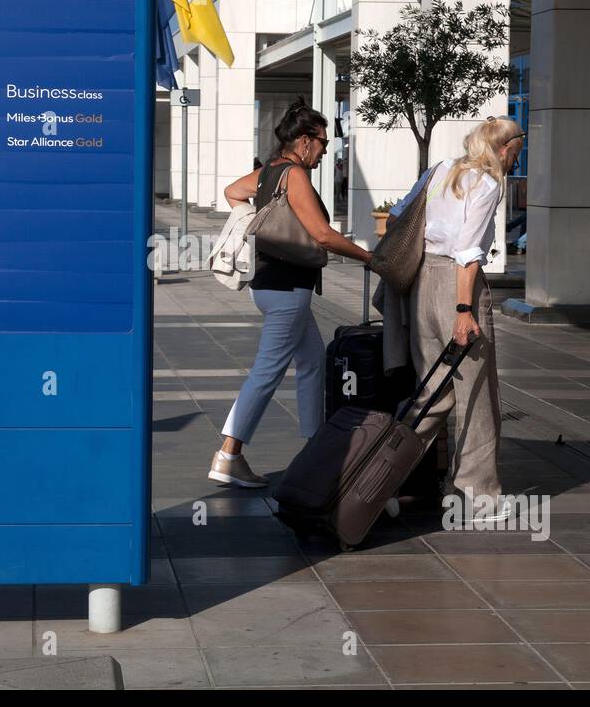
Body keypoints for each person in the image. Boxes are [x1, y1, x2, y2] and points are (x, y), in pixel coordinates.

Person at [210, 99, 373, 488]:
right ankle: (228, 454)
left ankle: (313, 445)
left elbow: (233, 192)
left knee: (313, 361)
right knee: (266, 373)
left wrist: (260, 223)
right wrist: (372, 258)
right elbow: (322, 235)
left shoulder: (268, 172)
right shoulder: (295, 175)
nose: (324, 150)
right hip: (288, 289)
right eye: (323, 143)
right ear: (304, 141)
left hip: (268, 285)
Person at [388, 117, 525, 523]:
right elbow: (468, 252)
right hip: (457, 288)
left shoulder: (442, 169)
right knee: (476, 396)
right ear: (504, 150)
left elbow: (397, 216)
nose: (517, 158)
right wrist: (464, 311)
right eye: (517, 151)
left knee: (434, 391)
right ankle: (478, 498)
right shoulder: (487, 184)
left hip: (422, 283)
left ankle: (383, 475)